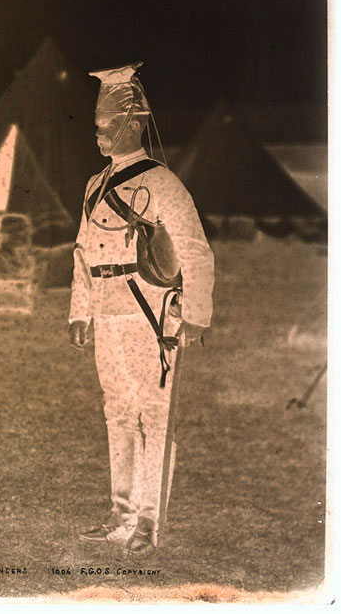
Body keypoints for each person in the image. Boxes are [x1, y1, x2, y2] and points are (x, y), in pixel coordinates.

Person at [68, 63, 214, 555]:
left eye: (106, 127)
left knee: (155, 416)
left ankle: (149, 521)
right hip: (107, 315)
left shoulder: (163, 183)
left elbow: (195, 251)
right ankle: (121, 511)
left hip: (150, 313)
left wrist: (195, 313)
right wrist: (79, 311)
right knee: (117, 412)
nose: (99, 136)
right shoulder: (93, 185)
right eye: (96, 127)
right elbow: (83, 254)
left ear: (132, 125)